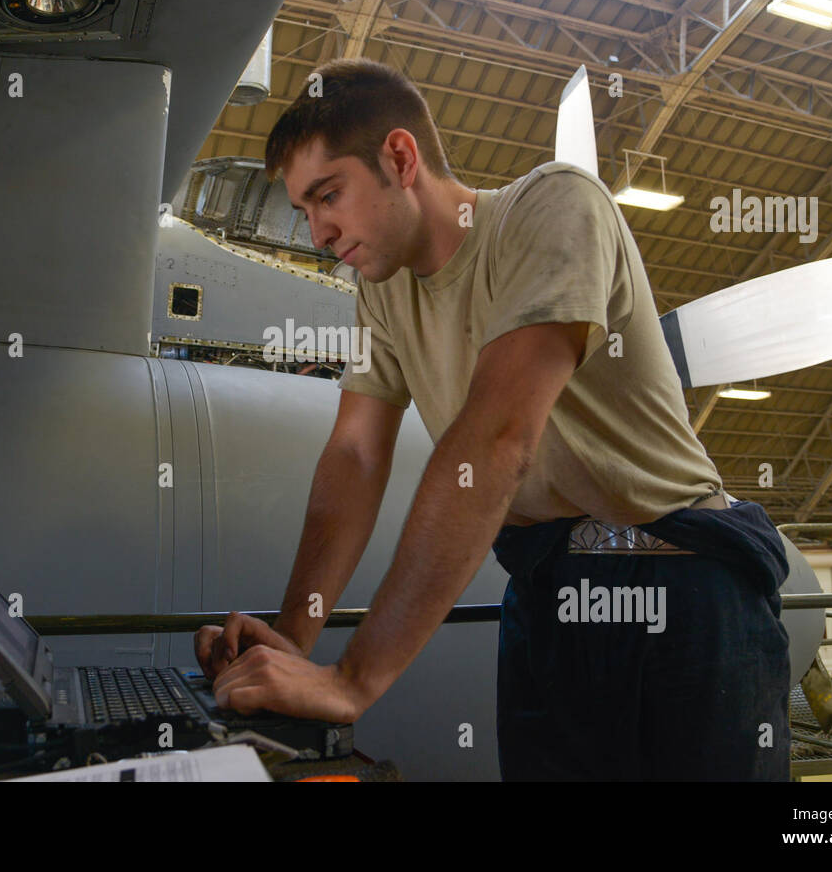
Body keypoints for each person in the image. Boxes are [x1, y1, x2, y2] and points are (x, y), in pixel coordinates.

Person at [195, 58, 791, 780]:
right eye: (305, 210)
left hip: (681, 585)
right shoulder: (383, 295)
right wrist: (294, 635)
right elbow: (354, 455)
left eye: (328, 196)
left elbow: (499, 436)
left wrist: (354, 680)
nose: (319, 231)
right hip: (548, 591)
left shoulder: (553, 207)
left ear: (400, 158)